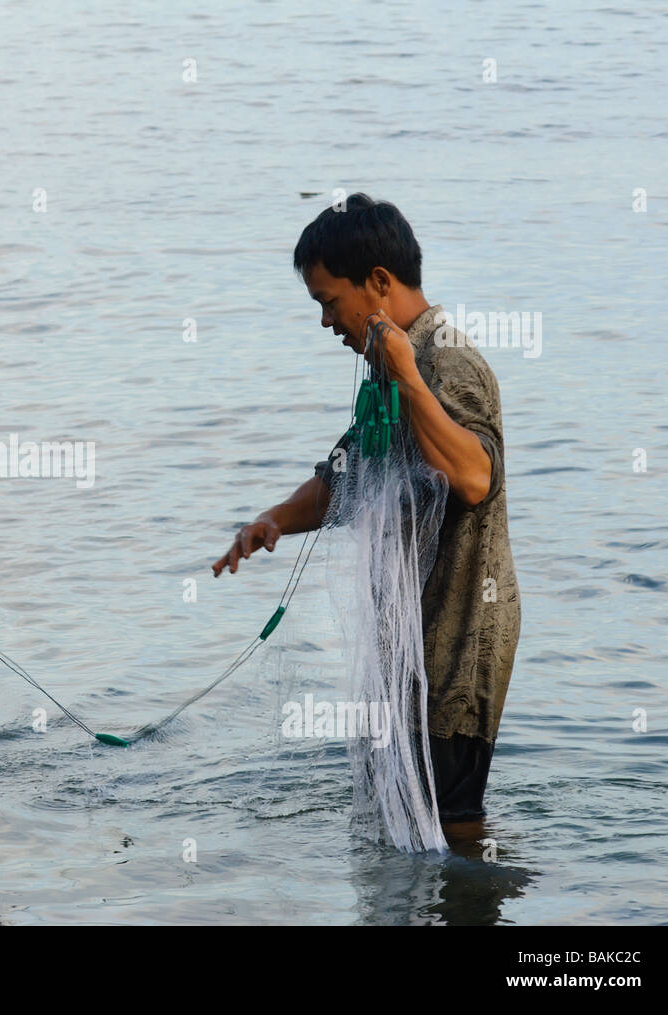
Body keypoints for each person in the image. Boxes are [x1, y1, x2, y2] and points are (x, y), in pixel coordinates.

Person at [213, 194, 520, 835]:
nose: (326, 321)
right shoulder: (387, 370)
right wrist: (272, 519)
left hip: (458, 640)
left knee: (452, 824)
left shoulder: (444, 359)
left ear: (378, 284)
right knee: (396, 816)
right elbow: (346, 479)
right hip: (404, 641)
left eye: (329, 301)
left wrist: (408, 378)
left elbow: (473, 478)